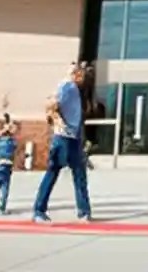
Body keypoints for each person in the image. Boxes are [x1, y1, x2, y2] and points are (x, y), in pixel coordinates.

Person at [32, 63, 93, 223]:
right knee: (53, 173)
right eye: (81, 74)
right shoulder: (66, 86)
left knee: (79, 175)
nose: (83, 78)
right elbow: (51, 103)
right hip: (63, 139)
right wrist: (57, 121)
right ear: (76, 74)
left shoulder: (74, 89)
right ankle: (39, 210)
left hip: (73, 138)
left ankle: (84, 212)